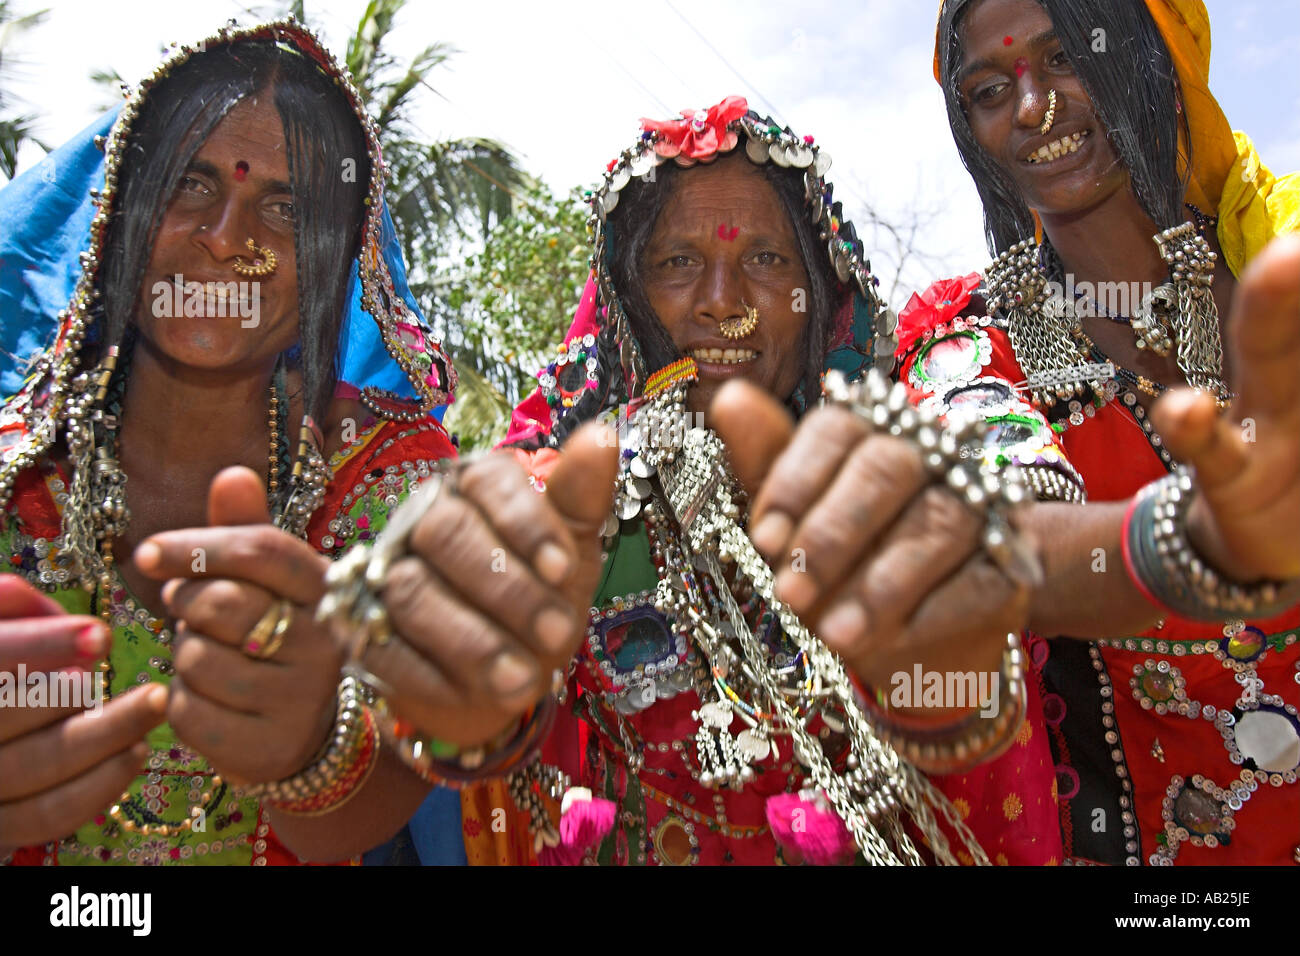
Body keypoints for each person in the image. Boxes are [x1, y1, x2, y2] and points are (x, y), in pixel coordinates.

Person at [321, 97, 1052, 865]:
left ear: (819, 294)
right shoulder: (563, 493)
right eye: (677, 263)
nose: (721, 303)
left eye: (766, 261)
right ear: (630, 297)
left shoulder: (888, 480)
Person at [0, 20, 462, 866]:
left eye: (284, 209)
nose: (227, 240)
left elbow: (377, 796)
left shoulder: (389, 483)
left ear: (332, 257)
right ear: (122, 219)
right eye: (190, 186)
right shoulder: (15, 471)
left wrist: (307, 746)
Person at [916, 0, 1300, 864]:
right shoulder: (965, 351)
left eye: (1065, 60)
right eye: (988, 88)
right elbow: (1004, 535)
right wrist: (1187, 545)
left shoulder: (1269, 266)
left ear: (1143, 59)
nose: (1030, 108)